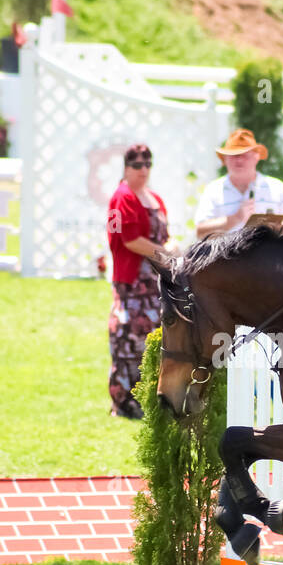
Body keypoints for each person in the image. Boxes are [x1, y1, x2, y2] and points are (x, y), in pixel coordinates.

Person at [106, 143, 172, 419]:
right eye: (136, 165)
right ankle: (124, 402)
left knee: (153, 339)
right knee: (127, 341)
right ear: (125, 167)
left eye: (148, 164)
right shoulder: (123, 197)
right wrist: (165, 252)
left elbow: (162, 234)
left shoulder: (153, 197)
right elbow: (130, 240)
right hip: (133, 283)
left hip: (155, 282)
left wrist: (169, 247)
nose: (143, 169)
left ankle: (149, 398)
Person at [194, 129, 283, 239]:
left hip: (269, 255)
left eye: (245, 154)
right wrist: (236, 218)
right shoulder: (213, 189)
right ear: (224, 159)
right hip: (226, 256)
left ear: (257, 156)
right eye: (234, 155)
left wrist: (278, 229)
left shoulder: (277, 187)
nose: (239, 160)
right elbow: (200, 232)